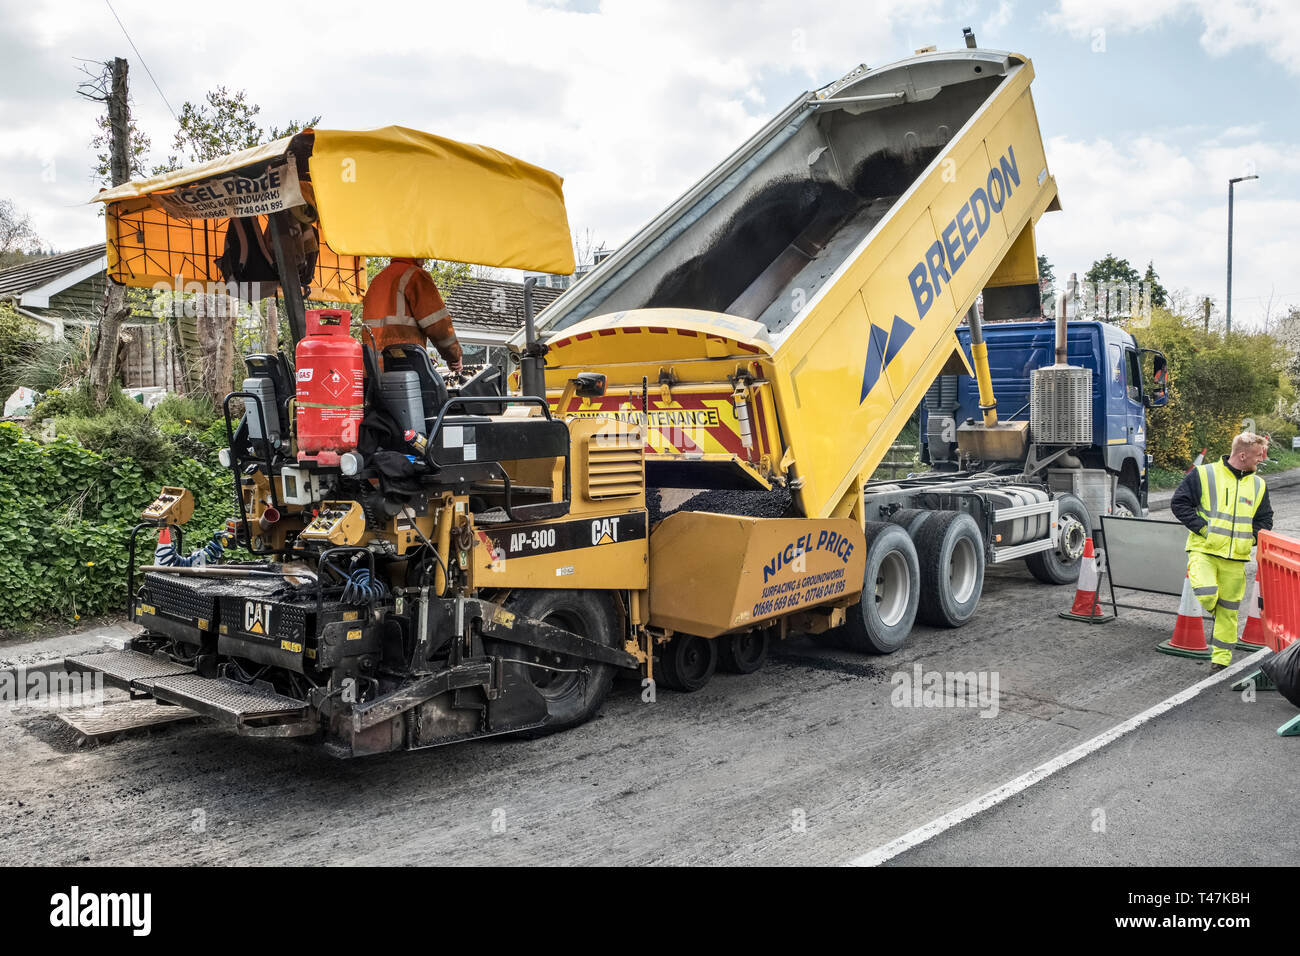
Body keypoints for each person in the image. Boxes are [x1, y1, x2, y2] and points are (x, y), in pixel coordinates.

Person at [1170, 431, 1274, 671]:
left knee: (1229, 611)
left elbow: (1265, 519)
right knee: (1207, 594)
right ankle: (1217, 624)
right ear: (1242, 454)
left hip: (1236, 559)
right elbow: (1179, 503)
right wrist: (1204, 530)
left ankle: (1221, 661)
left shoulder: (1259, 484)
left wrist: (1251, 539)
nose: (1261, 459)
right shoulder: (1205, 474)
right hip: (1204, 551)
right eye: (1258, 455)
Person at [362, 257, 463, 372]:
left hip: (372, 371)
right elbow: (438, 326)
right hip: (403, 370)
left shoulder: (377, 280)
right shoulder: (415, 276)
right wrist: (454, 356)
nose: (425, 260)